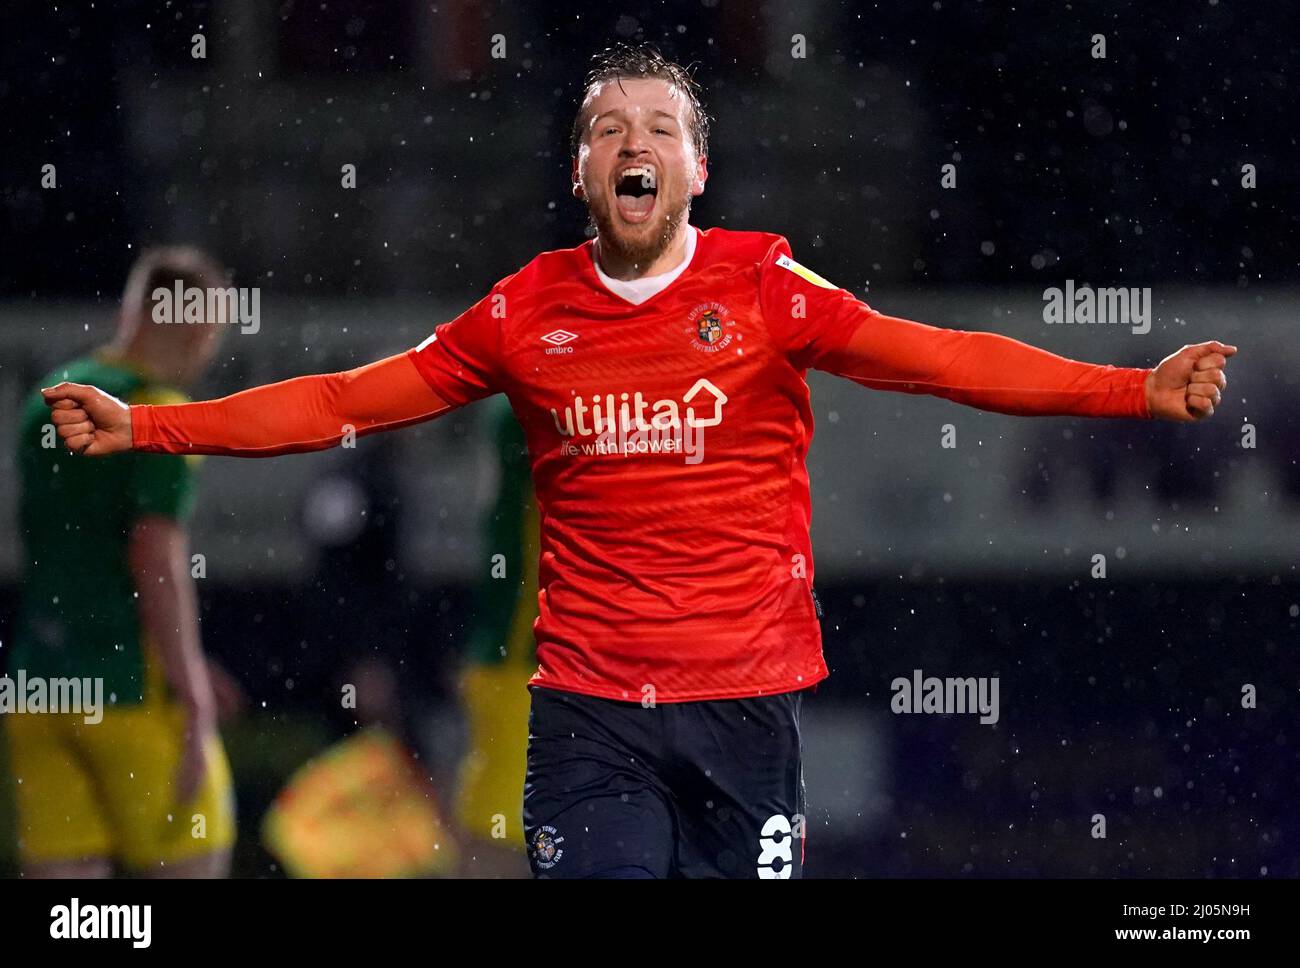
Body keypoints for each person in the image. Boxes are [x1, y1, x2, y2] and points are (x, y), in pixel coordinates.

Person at [38, 45, 1236, 879]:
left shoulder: (769, 286)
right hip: (588, 719)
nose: (633, 141)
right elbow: (344, 401)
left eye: (660, 125)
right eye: (607, 125)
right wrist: (149, 426)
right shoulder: (522, 314)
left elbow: (944, 359)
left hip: (744, 713)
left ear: (696, 169)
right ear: (580, 171)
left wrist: (1130, 387)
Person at [9, 246, 238, 877]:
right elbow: (153, 556)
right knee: (198, 855)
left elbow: (74, 553)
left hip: (39, 685)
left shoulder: (46, 402)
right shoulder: (156, 414)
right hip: (128, 695)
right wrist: (190, 695)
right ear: (199, 326)